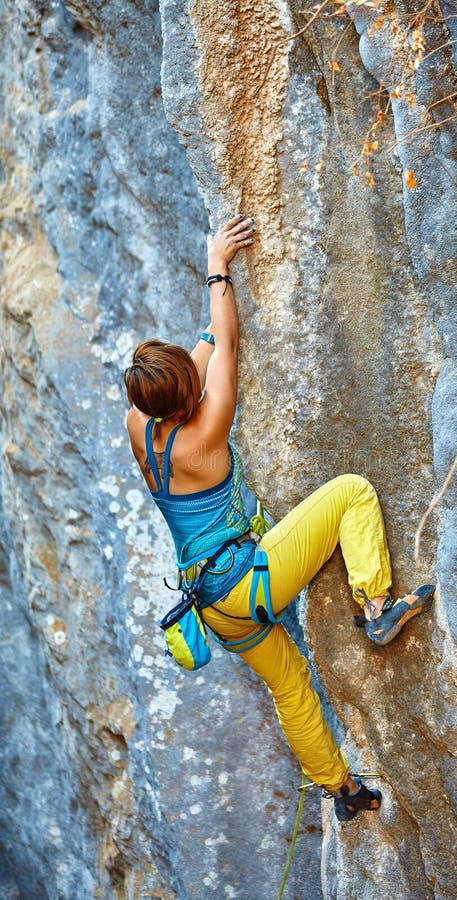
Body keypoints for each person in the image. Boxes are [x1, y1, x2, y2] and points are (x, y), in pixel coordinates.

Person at [124, 214, 435, 822]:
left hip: (211, 604)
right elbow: (225, 347)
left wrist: (207, 331)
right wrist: (218, 266)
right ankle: (376, 606)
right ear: (189, 396)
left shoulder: (139, 425)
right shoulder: (208, 429)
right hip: (250, 578)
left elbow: (201, 356)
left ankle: (343, 792)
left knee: (289, 686)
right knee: (352, 492)